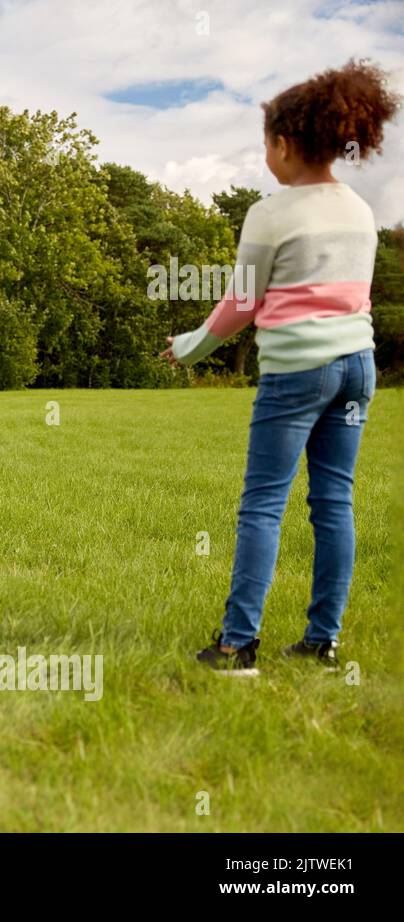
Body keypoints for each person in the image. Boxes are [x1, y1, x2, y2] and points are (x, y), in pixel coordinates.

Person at [162, 60, 399, 674]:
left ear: (285, 143)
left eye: (265, 142)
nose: (265, 154)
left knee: (264, 504)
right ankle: (324, 641)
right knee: (334, 502)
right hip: (358, 368)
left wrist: (190, 345)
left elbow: (244, 302)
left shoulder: (270, 214)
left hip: (298, 372)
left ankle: (238, 647)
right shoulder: (358, 210)